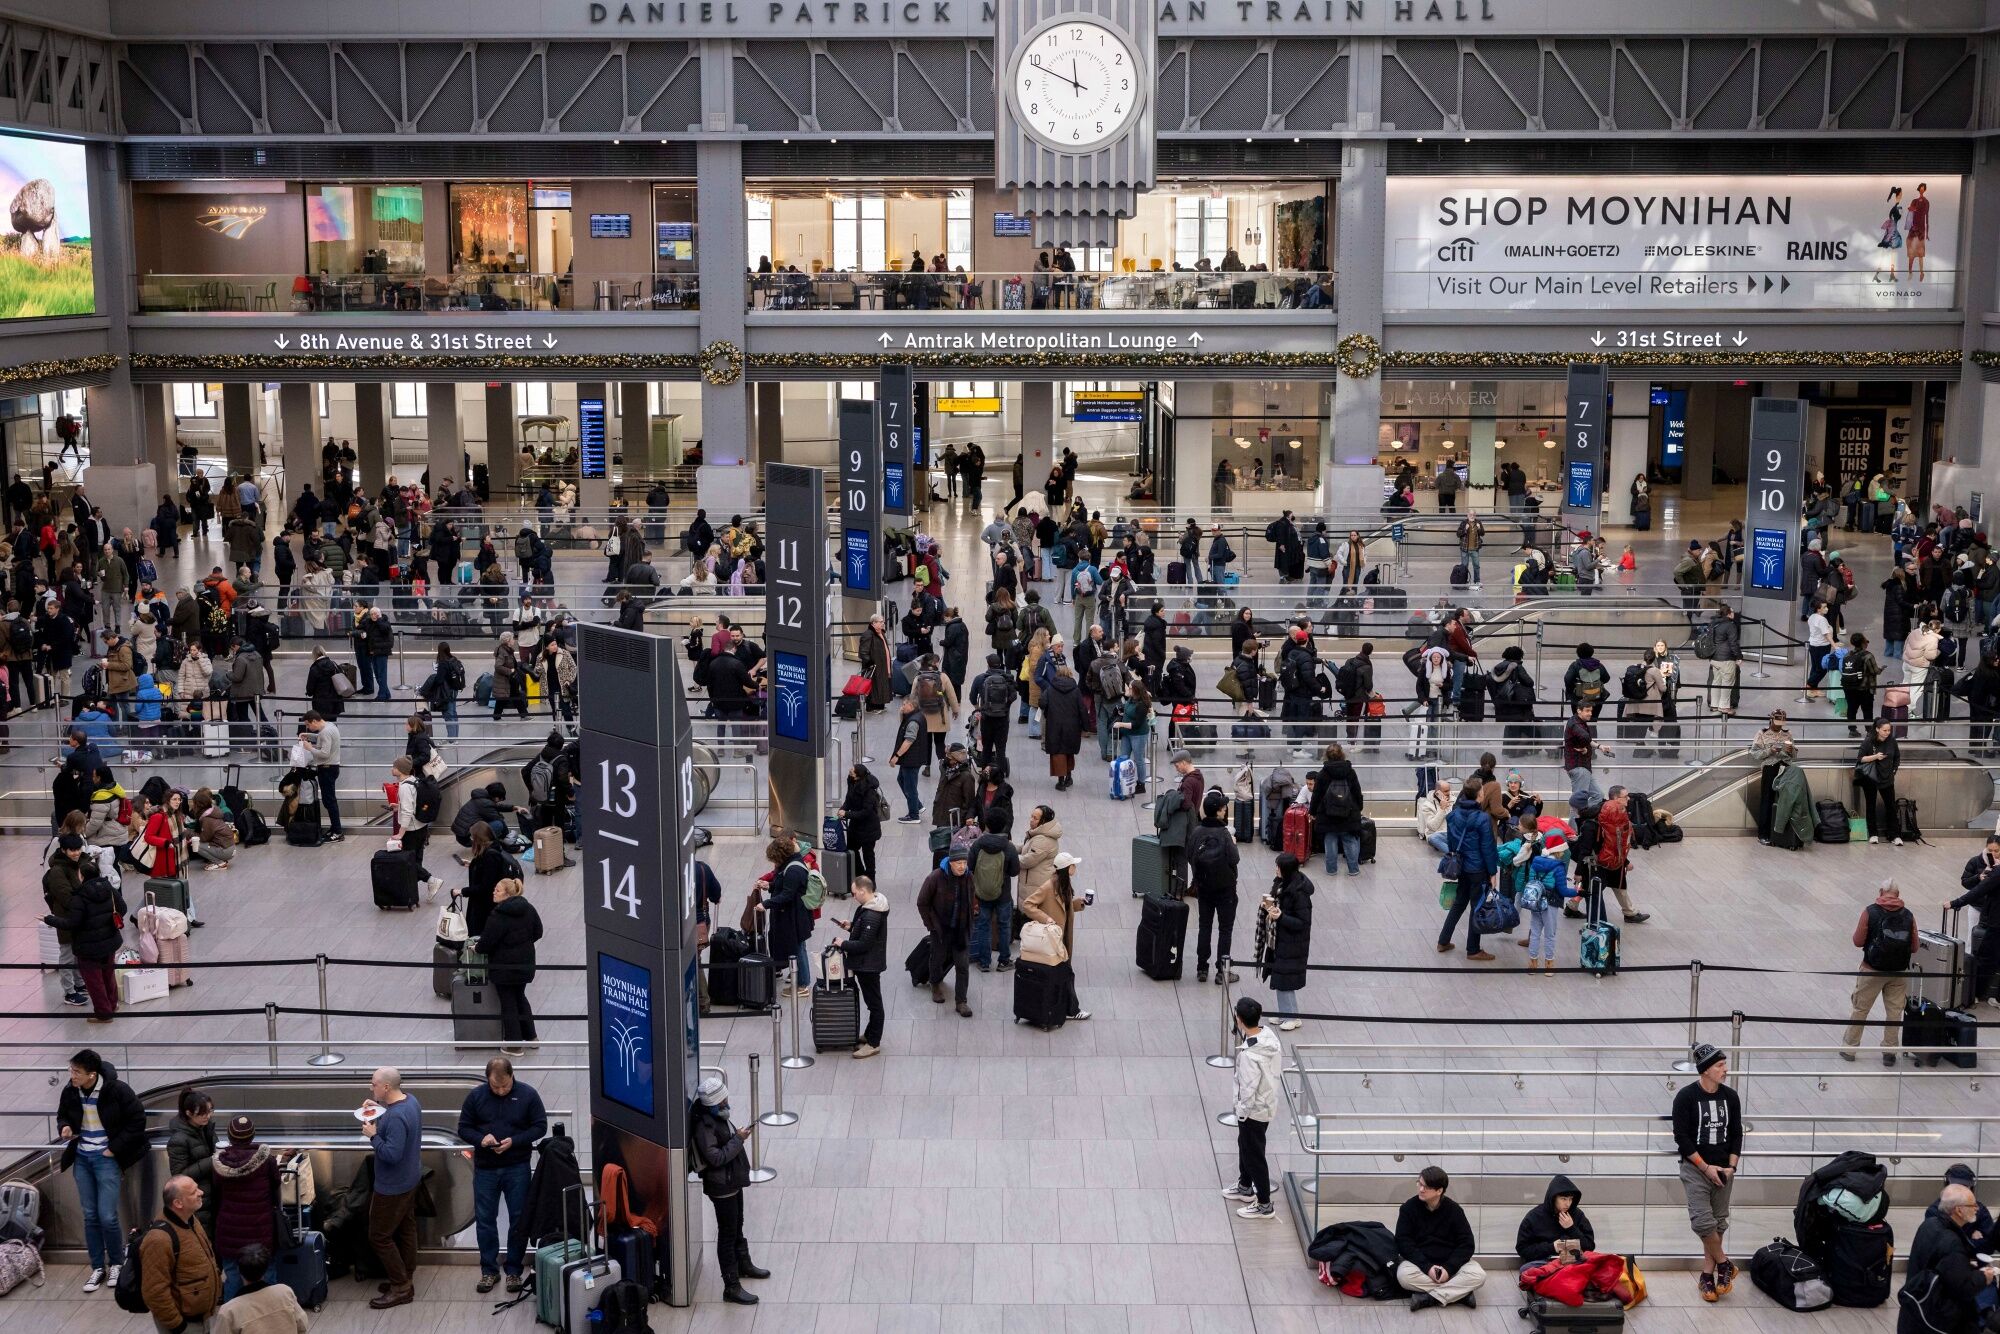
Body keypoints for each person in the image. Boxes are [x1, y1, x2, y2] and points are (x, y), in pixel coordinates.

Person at [59, 1048, 146, 1290]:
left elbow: (137, 1119)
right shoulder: (70, 1090)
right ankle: (97, 1267)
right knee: (90, 1215)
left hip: (106, 1158)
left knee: (107, 1215)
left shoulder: (116, 1090)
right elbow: (63, 1114)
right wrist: (65, 1126)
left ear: (92, 1075)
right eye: (71, 1070)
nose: (71, 1075)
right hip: (82, 1158)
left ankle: (117, 1262)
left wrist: (113, 1149)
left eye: (76, 1071)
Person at [459, 1056, 546, 1294]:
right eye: (495, 1086)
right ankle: (489, 1270)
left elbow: (540, 1126)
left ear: (512, 1076)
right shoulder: (476, 1097)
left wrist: (514, 1141)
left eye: (505, 1086)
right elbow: (463, 1127)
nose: (500, 1091)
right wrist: (481, 1139)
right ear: (487, 1080)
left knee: (518, 1219)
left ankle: (514, 1270)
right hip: (486, 1168)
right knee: (485, 1219)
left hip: (516, 1166)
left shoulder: (528, 1095)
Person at [689, 1075, 769, 1305]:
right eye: (722, 1100)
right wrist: (739, 1139)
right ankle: (731, 1286)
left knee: (737, 1225)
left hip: (732, 1182)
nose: (727, 1103)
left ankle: (743, 1264)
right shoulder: (705, 1126)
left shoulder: (716, 1119)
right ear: (714, 1104)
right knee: (727, 1232)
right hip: (722, 1186)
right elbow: (716, 1158)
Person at [1675, 1044, 1742, 1302]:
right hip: (1695, 1169)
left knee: (1718, 1220)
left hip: (1724, 1168)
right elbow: (1681, 1138)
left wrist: (1731, 1167)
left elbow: (1736, 1133)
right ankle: (1725, 1264)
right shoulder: (1686, 1097)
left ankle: (1707, 1276)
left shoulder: (1731, 1097)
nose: (1725, 1070)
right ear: (1705, 1070)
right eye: (1719, 1066)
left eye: (1724, 1065)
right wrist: (1705, 1167)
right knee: (1703, 1222)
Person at [360, 1067, 423, 1309]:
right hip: (410, 1178)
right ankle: (406, 1277)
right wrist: (378, 1111)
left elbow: (391, 1154)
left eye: (374, 1083)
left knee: (379, 1236)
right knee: (406, 1228)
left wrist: (373, 1136)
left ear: (386, 1087)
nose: (370, 1086)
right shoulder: (411, 1102)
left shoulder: (396, 1116)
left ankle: (401, 1287)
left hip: (393, 1185)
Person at [209, 1115, 284, 1303]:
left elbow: (216, 1193)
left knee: (233, 1277)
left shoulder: (220, 1163)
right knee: (267, 1275)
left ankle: (233, 1321)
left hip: (229, 1231)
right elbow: (276, 1186)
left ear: (230, 1137)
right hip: (261, 1230)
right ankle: (271, 1316)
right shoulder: (266, 1160)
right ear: (252, 1136)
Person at [1221, 996, 1282, 1219]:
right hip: (1266, 1104)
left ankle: (1265, 1204)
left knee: (1254, 1154)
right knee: (1246, 1146)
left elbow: (1248, 1088)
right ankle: (1245, 1186)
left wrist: (1241, 1112)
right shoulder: (1269, 1038)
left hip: (1254, 1111)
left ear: (1239, 1020)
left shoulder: (1249, 1055)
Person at [1843, 879, 1914, 1066]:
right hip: (1898, 971)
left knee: (1860, 1009)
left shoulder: (1870, 911)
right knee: (1894, 1012)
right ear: (1898, 894)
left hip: (1871, 970)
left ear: (1881, 891)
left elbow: (1858, 941)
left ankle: (1850, 1048)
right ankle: (1889, 1052)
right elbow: (1914, 947)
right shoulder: (1908, 915)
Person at [139, 1175, 222, 1333]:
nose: (201, 1192)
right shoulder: (159, 1239)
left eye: (197, 1187)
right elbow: (154, 1292)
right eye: (193, 1192)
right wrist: (178, 1326)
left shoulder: (190, 1219)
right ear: (178, 1203)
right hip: (183, 1325)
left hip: (201, 1318)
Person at [1395, 1167, 1485, 1308]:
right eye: (1420, 1183)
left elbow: (1467, 1244)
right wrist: (1428, 1268)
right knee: (1403, 1276)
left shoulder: (1454, 1210)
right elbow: (1403, 1242)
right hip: (1420, 1264)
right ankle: (1460, 1294)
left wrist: (1449, 1269)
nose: (1421, 1189)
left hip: (1450, 1264)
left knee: (1478, 1275)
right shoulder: (1408, 1208)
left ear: (1439, 1190)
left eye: (1426, 1187)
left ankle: (1429, 1298)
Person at [1020, 850, 1090, 1020]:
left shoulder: (1064, 884)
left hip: (1062, 937)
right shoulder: (1048, 886)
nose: (1075, 867)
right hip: (1053, 939)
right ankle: (1072, 1010)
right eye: (1073, 865)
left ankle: (1064, 1009)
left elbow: (1064, 906)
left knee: (1063, 974)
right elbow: (1028, 904)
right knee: (1066, 974)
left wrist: (1078, 903)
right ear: (1067, 868)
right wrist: (1046, 919)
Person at [47, 871, 126, 1022]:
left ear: (81, 876)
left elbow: (71, 923)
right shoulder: (109, 890)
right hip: (109, 941)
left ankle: (104, 1014)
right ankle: (112, 1005)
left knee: (94, 981)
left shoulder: (79, 898)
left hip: (88, 947)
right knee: (108, 975)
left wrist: (50, 920)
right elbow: (122, 908)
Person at [478, 878, 543, 1055]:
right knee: (520, 997)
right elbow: (539, 931)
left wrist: (477, 947)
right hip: (525, 964)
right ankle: (531, 1037)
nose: (493, 892)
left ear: (507, 894)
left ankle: (514, 1045)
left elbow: (485, 944)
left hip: (503, 967)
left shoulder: (498, 915)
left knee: (508, 1002)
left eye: (497, 890)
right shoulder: (528, 909)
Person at [1439, 778, 1499, 961]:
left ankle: (1443, 940)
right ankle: (1473, 949)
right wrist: (1492, 872)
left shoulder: (1454, 815)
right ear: (1478, 794)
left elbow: (1450, 842)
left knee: (1459, 902)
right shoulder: (1482, 818)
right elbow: (1487, 847)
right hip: (1477, 868)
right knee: (1477, 906)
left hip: (1461, 866)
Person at [831, 876, 889, 1057]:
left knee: (874, 1004)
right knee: (872, 1002)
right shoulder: (870, 908)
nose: (854, 896)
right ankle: (870, 1034)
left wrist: (843, 944)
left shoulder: (872, 914)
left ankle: (873, 1043)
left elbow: (865, 943)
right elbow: (864, 932)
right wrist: (851, 927)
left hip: (868, 965)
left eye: (855, 893)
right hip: (866, 963)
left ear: (863, 891)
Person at [1187, 791, 1241, 984]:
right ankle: (1222, 971)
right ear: (1217, 812)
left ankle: (1202, 968)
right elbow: (1235, 859)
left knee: (1205, 926)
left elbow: (1189, 855)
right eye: (1223, 807)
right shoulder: (1224, 834)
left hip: (1204, 887)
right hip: (1225, 889)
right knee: (1225, 929)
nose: (1225, 809)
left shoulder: (1197, 832)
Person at [917, 846, 975, 1017]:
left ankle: (961, 1001)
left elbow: (972, 897)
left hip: (961, 928)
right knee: (938, 958)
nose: (962, 866)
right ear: (950, 862)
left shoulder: (969, 877)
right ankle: (935, 984)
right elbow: (922, 902)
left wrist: (973, 915)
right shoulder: (935, 877)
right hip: (941, 929)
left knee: (963, 966)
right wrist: (931, 925)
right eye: (958, 862)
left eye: (964, 862)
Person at [1262, 852, 1313, 1029]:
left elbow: (1303, 922)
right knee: (1279, 977)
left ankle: (1292, 1016)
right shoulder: (1281, 884)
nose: (1276, 869)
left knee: (1285, 979)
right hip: (1281, 939)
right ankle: (1284, 1013)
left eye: (1279, 867)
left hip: (1292, 943)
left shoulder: (1299, 894)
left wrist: (1281, 917)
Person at [208, 1243, 307, 1334]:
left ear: (239, 1270)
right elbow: (303, 1326)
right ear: (266, 1268)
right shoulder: (285, 1292)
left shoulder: (229, 1311)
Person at [1951, 853, 2000, 1007]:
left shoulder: (1998, 873)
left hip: (1997, 924)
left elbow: (1979, 890)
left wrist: (1956, 902)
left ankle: (1976, 994)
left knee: (1985, 959)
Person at [1310, 743, 1365, 876]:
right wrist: (1359, 807)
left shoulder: (1323, 774)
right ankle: (1353, 869)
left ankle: (1331, 869)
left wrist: (1312, 811)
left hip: (1328, 813)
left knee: (1330, 839)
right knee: (1350, 839)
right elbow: (1357, 792)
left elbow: (1317, 795)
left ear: (1326, 756)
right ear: (1342, 754)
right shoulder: (1350, 772)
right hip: (1349, 812)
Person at [1515, 1174, 1595, 1265]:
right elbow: (1522, 1249)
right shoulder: (1534, 1216)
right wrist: (1552, 1247)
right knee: (1527, 1269)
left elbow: (1590, 1247)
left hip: (1572, 1264)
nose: (1568, 1204)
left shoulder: (1577, 1215)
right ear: (1553, 1198)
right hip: (1544, 1262)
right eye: (1563, 1199)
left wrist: (1571, 1229)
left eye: (1570, 1199)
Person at [1855, 718, 1903, 845]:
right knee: (1871, 806)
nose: (1887, 733)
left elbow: (1897, 756)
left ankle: (1894, 835)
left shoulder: (1892, 741)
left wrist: (1894, 770)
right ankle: (1873, 834)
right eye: (1884, 730)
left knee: (1891, 806)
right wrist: (1876, 757)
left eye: (1889, 730)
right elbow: (1860, 759)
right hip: (1871, 778)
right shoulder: (1868, 741)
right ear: (1877, 729)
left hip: (1887, 777)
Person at [297, 712, 344, 841]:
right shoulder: (330, 726)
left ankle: (338, 831)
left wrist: (309, 748)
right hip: (331, 768)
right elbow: (322, 738)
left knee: (329, 801)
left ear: (313, 721)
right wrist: (310, 735)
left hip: (327, 769)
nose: (307, 727)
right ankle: (335, 828)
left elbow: (324, 753)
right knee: (329, 800)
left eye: (308, 725)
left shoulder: (325, 732)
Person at [837, 763, 884, 881]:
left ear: (858, 776)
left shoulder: (869, 790)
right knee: (852, 849)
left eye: (853, 770)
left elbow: (866, 812)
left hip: (869, 828)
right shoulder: (852, 782)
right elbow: (849, 799)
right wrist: (843, 808)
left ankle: (871, 881)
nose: (850, 770)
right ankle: (861, 875)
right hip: (856, 826)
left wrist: (847, 814)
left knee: (868, 855)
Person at [888, 698, 927, 823]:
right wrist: (901, 713)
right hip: (912, 758)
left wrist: (897, 756)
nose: (902, 706)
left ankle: (914, 815)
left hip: (911, 759)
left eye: (904, 704)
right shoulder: (916, 716)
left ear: (911, 705)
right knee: (902, 780)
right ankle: (918, 806)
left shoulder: (913, 721)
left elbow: (909, 740)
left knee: (910, 787)